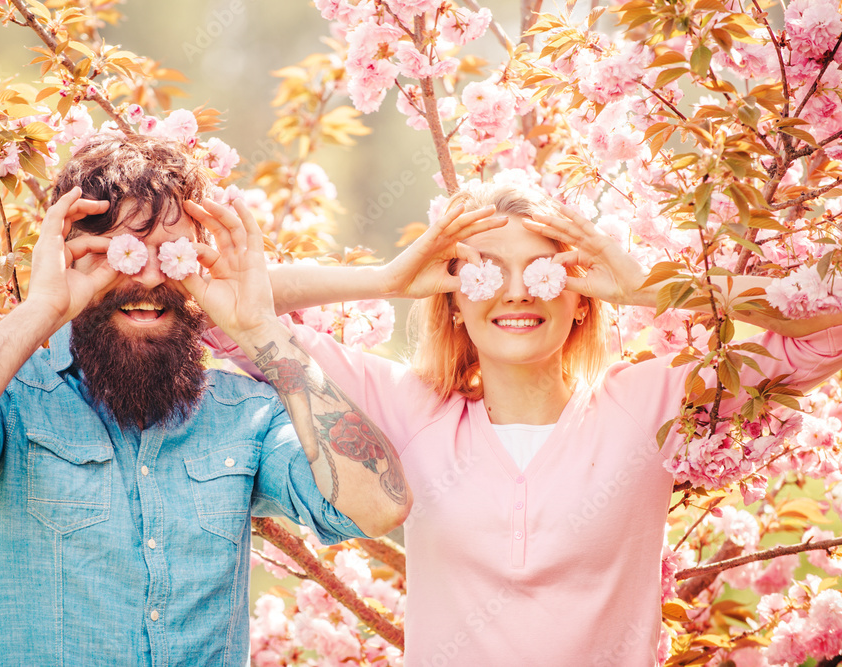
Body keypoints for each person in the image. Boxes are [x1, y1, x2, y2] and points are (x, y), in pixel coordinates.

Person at [201, 181, 842, 666]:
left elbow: (829, 319)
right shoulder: (404, 407)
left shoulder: (656, 402)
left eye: (543, 270)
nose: (516, 293)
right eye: (485, 272)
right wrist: (388, 279)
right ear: (452, 302)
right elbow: (216, 311)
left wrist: (652, 287)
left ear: (582, 298)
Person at [0, 135, 411, 667]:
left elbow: (378, 504)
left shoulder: (246, 415)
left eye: (171, 254)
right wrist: (41, 310)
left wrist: (264, 330)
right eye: (121, 253)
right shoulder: (9, 402)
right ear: (71, 256)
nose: (149, 276)